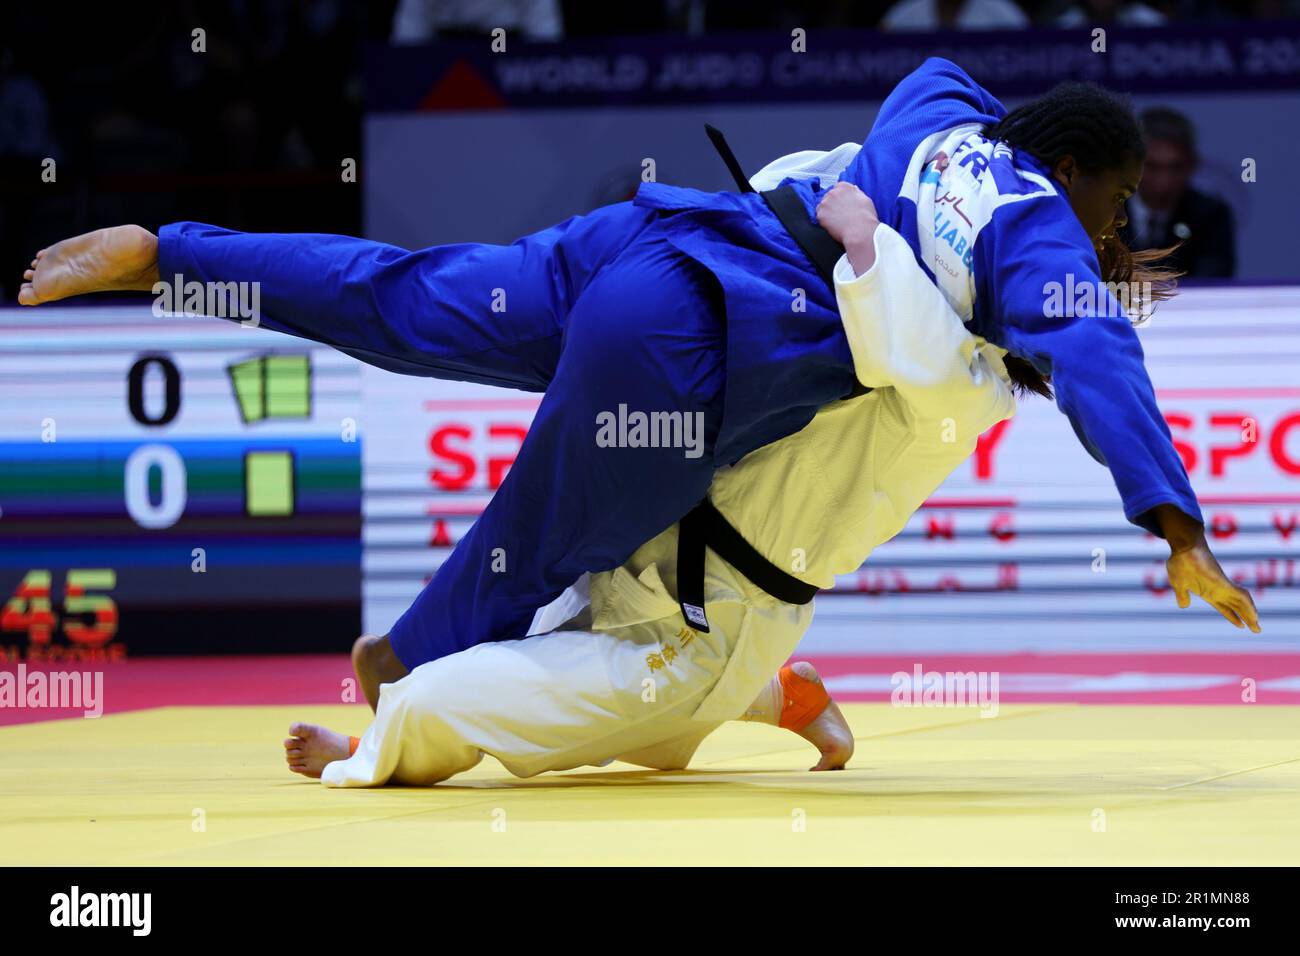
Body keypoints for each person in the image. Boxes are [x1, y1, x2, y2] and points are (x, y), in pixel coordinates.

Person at [18, 58, 1260, 684]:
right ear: (1086, 180)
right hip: (695, 335)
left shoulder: (936, 101)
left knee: (406, 294)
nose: (1104, 234)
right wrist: (1170, 515)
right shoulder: (1037, 229)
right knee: (547, 529)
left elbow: (985, 163)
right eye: (1110, 210)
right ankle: (408, 660)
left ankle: (168, 248)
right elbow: (1089, 339)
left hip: (650, 234)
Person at [283, 189, 1016, 784]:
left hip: (719, 618)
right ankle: (778, 694)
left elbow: (913, 341)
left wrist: (865, 239)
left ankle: (370, 749)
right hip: (660, 531)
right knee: (634, 727)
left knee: (477, 701)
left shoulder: (973, 387)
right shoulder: (921, 302)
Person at [1119, 107, 1236, 278]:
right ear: (1131, 164)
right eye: (1152, 167)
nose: (1163, 182)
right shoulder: (1106, 214)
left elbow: (1212, 279)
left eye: (1175, 167)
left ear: (1192, 164)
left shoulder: (1211, 215)